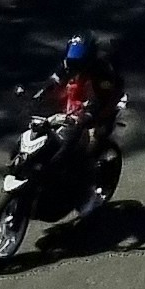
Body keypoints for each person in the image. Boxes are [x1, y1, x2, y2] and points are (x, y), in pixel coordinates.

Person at [35, 33, 124, 212]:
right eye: (72, 61)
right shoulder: (71, 63)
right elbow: (56, 78)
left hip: (101, 112)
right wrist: (42, 92)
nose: (73, 67)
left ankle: (88, 193)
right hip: (76, 108)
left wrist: (88, 117)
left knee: (88, 147)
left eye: (78, 63)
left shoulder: (102, 73)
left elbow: (100, 100)